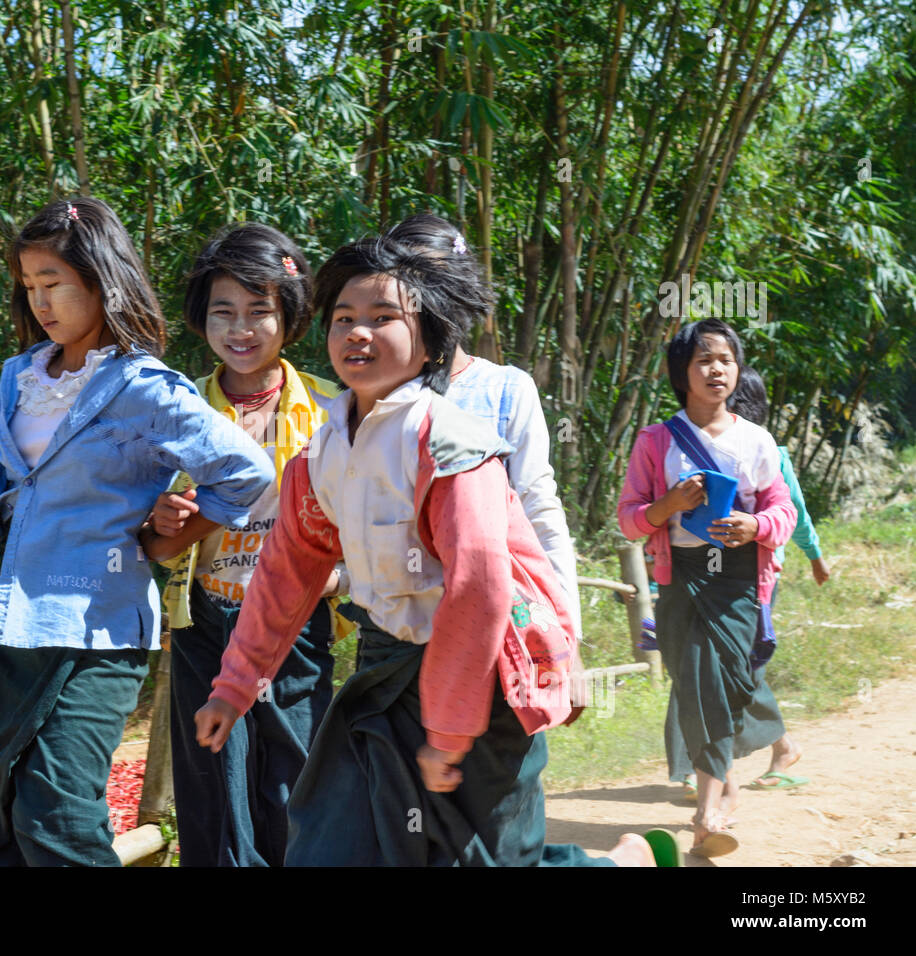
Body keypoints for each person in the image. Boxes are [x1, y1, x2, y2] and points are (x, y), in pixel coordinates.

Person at [195, 235, 664, 867]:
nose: (359, 333)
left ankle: (625, 862)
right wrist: (236, 683)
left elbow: (477, 591)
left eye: (384, 318)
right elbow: (286, 572)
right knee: (336, 846)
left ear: (431, 338)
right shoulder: (323, 454)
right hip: (387, 671)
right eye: (344, 319)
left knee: (486, 863)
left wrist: (449, 729)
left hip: (488, 677)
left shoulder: (450, 446)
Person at [0, 198, 274, 866]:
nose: (42, 300)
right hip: (8, 624)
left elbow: (245, 471)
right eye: (30, 286)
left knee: (54, 816)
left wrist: (162, 543)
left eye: (54, 282)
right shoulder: (18, 378)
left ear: (101, 280)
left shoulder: (144, 388)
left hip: (96, 632)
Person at [139, 223, 351, 867]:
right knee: (212, 789)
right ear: (201, 319)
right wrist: (160, 522)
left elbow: (364, 517)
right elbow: (144, 539)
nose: (241, 328)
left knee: (294, 777)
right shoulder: (172, 411)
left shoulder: (334, 407)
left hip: (300, 621)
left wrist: (339, 578)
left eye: (260, 310)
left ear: (289, 316)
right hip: (206, 619)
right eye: (223, 311)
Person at [384, 214, 588, 717]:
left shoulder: (505, 389)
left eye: (437, 286)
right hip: (394, 637)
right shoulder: (368, 397)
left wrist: (568, 641)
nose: (425, 304)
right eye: (406, 291)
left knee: (497, 787)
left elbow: (540, 509)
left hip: (499, 632)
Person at [618, 319, 797, 857]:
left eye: (725, 359)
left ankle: (712, 801)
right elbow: (628, 520)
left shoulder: (756, 440)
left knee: (729, 683)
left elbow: (782, 510)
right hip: (683, 580)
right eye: (702, 360)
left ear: (737, 370)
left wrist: (756, 527)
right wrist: (668, 507)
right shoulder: (656, 441)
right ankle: (715, 798)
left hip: (738, 580)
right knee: (696, 686)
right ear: (682, 372)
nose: (715, 369)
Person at [667, 368, 828, 800]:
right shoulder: (691, 444)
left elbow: (793, 510)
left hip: (753, 578)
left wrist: (814, 555)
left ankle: (712, 767)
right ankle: (715, 764)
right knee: (703, 666)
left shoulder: (761, 447)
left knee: (726, 669)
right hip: (700, 574)